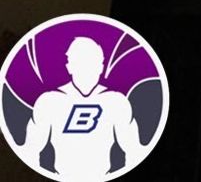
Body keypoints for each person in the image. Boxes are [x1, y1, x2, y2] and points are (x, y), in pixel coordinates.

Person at [19, 37, 147, 181]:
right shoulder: (49, 101)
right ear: (69, 67)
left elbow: (133, 151)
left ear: (101, 67)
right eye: (80, 62)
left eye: (91, 62)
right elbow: (30, 151)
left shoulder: (116, 102)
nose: (86, 68)